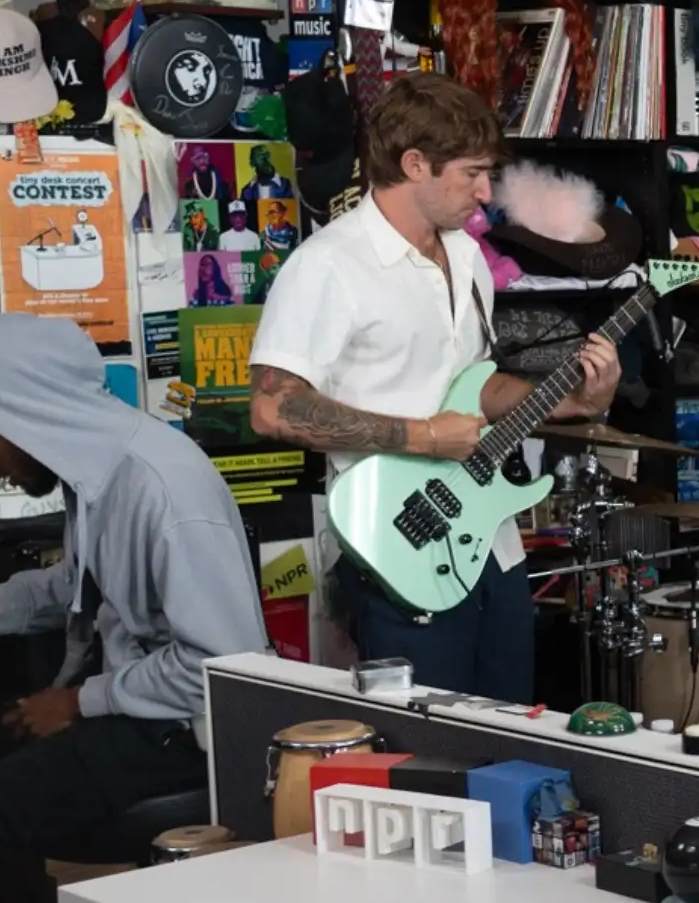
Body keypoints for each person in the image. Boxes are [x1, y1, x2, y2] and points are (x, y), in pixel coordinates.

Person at [247, 73, 619, 700]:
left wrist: (575, 400)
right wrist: (422, 437)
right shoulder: (330, 264)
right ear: (414, 163)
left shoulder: (468, 257)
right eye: (471, 172)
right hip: (395, 547)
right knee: (431, 756)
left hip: (490, 545)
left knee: (508, 737)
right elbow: (272, 407)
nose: (484, 191)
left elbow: (473, 388)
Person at [0, 315, 267, 903]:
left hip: (181, 734)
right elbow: (82, 584)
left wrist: (79, 702)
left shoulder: (162, 488)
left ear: (25, 411)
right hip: (130, 703)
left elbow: (221, 666)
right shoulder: (99, 470)